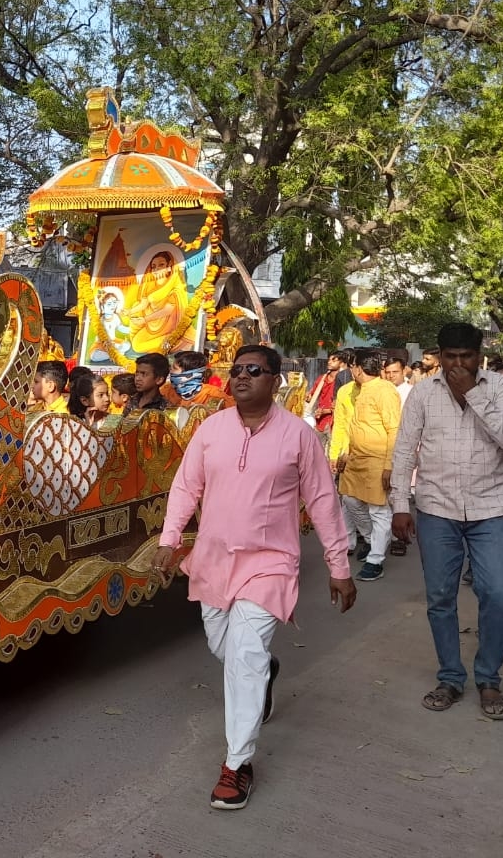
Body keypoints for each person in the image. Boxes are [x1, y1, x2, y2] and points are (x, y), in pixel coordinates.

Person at [152, 345, 356, 810]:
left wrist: (339, 566)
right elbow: (186, 486)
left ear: (275, 381)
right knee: (223, 647)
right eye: (237, 370)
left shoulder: (298, 436)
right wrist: (169, 539)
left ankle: (237, 764)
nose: (242, 377)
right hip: (213, 560)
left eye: (254, 370)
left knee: (244, 656)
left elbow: (323, 501)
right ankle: (265, 671)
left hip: (270, 563)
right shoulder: (211, 429)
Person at [389, 322, 503, 720]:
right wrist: (400, 504)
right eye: (451, 357)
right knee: (441, 597)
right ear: (439, 355)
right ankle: (450, 677)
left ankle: (489, 678)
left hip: (490, 507)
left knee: (497, 595)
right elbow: (404, 450)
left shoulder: (498, 387)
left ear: (479, 356)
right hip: (436, 507)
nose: (458, 364)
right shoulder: (423, 392)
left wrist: (472, 395)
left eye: (467, 357)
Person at [336, 352, 402, 582]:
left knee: (378, 510)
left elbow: (394, 429)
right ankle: (373, 539)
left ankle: (376, 560)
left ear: (357, 368)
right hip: (355, 458)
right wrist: (344, 453)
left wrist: (389, 465)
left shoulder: (385, 390)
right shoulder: (359, 389)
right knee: (350, 500)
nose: (351, 371)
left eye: (351, 367)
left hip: (377, 460)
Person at [126, 251, 189, 354]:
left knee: (139, 346)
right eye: (153, 266)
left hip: (167, 324)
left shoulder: (174, 286)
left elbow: (167, 310)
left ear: (169, 266)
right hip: (152, 324)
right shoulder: (149, 284)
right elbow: (143, 304)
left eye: (161, 265)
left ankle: (176, 339)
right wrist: (130, 311)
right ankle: (167, 344)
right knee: (136, 345)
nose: (156, 269)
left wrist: (145, 319)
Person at [165, 350, 232, 409]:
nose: (170, 371)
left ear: (189, 374)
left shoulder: (214, 395)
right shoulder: (166, 390)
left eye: (175, 368)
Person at [307, 351, 347, 435]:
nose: (329, 362)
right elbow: (311, 397)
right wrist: (307, 396)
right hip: (319, 421)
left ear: (342, 364)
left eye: (333, 360)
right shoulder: (321, 379)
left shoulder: (344, 381)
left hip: (336, 423)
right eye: (329, 360)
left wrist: (327, 411)